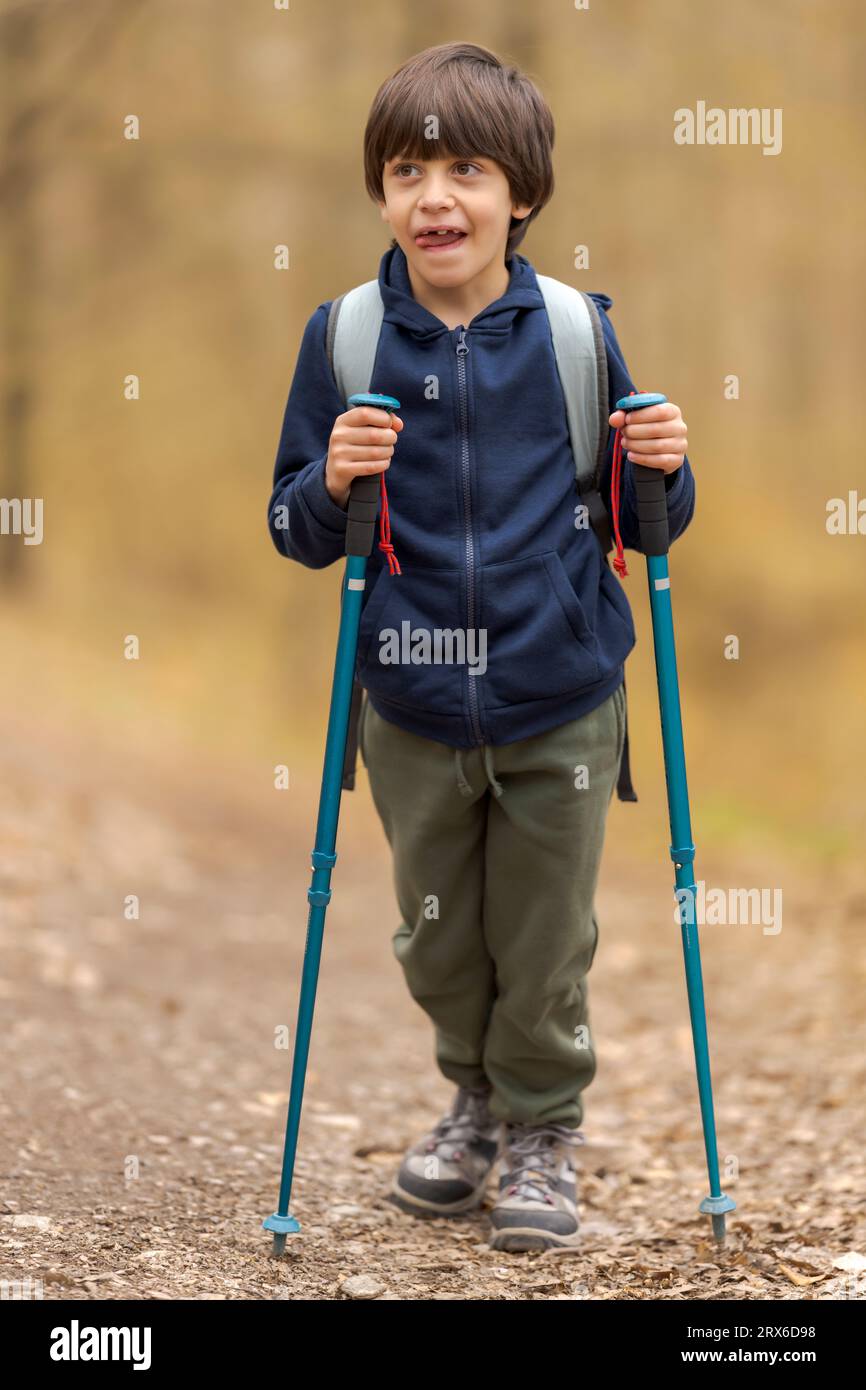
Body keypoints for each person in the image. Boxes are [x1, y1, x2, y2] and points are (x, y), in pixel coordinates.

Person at [267, 42, 694, 1253]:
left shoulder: (570, 333)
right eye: (407, 169)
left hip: (559, 689)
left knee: (544, 936)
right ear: (381, 192)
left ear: (522, 194)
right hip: (406, 701)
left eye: (465, 168)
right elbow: (292, 525)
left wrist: (663, 464)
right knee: (439, 937)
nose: (434, 196)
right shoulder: (343, 337)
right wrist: (328, 482)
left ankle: (542, 1126)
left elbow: (636, 517)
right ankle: (473, 1095)